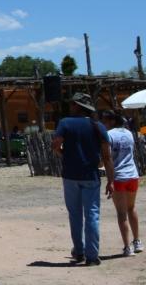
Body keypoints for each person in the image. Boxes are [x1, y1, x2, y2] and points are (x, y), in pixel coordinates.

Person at [51, 92, 115, 265]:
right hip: (91, 175)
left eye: (72, 104)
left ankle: (79, 252)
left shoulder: (65, 123)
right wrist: (111, 180)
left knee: (75, 215)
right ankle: (92, 256)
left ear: (77, 106)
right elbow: (107, 157)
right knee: (92, 215)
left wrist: (65, 154)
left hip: (70, 175)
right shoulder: (97, 126)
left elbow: (55, 145)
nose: (70, 106)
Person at [102, 110, 141, 256]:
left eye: (105, 120)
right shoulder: (129, 133)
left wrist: (109, 180)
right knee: (132, 208)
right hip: (132, 175)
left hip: (118, 176)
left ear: (112, 121)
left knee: (121, 213)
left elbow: (107, 158)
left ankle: (127, 247)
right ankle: (137, 241)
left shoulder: (109, 135)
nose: (103, 123)